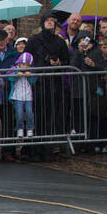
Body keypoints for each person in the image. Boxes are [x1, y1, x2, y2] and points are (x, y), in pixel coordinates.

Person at [27, 13, 70, 157]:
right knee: (37, 116)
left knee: (52, 116)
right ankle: (34, 151)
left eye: (52, 21)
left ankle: (48, 150)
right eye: (47, 20)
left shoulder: (59, 42)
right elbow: (26, 59)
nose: (50, 23)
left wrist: (58, 63)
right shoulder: (34, 40)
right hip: (38, 83)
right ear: (42, 22)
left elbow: (67, 61)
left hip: (54, 83)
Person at [9, 51, 36, 146]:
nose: (24, 66)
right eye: (23, 64)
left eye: (27, 65)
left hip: (28, 96)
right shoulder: (14, 69)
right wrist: (16, 74)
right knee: (19, 113)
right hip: (17, 96)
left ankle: (30, 128)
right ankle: (19, 128)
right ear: (19, 63)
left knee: (29, 112)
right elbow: (9, 78)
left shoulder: (30, 71)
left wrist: (30, 76)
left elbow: (33, 81)